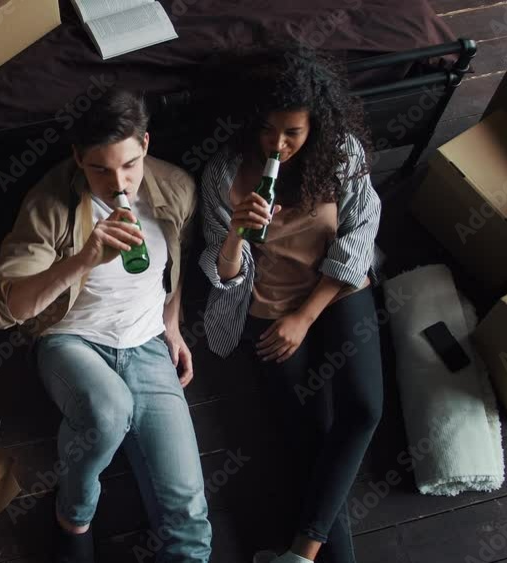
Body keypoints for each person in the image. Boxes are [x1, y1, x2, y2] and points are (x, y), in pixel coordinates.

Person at [0, 87, 212, 563]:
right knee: (109, 411)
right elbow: (0, 309)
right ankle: (73, 515)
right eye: (100, 170)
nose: (119, 184)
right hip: (73, 339)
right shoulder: (49, 205)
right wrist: (83, 259)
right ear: (77, 158)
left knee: (190, 520)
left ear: (145, 144)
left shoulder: (177, 188)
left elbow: (179, 261)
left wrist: (172, 323)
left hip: (148, 343)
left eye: (129, 165)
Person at [198, 49, 383, 563]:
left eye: (292, 134)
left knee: (364, 409)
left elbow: (358, 240)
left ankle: (300, 554)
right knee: (308, 435)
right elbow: (224, 276)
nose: (277, 144)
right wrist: (236, 231)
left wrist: (306, 318)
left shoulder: (341, 157)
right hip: (267, 307)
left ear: (315, 129)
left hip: (335, 290)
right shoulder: (223, 174)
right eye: (267, 130)